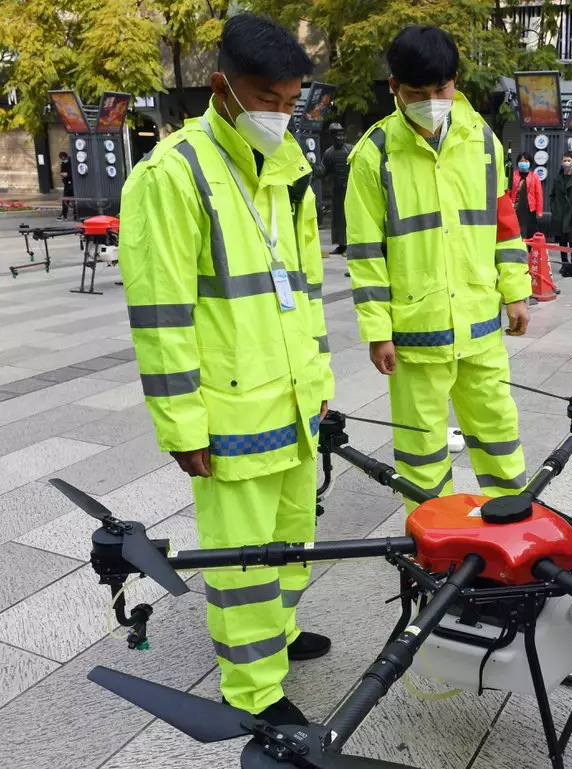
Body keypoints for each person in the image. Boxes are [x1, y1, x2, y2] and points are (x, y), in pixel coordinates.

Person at [117, 14, 335, 727]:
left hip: (294, 395)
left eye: (290, 100)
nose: (279, 113)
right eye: (266, 98)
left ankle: (282, 632)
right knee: (244, 558)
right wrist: (182, 422)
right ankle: (253, 690)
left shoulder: (287, 163)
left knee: (293, 534)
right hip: (231, 408)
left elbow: (302, 286)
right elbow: (161, 313)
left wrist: (320, 379)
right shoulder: (173, 175)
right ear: (222, 87)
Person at [345, 25, 530, 512]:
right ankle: (434, 548)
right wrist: (377, 330)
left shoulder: (483, 141)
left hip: (481, 324)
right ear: (393, 89)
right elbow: (365, 253)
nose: (431, 101)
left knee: (499, 436)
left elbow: (504, 225)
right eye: (416, 93)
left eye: (441, 89)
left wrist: (516, 290)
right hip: (414, 335)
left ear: (456, 80)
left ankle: (510, 532)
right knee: (421, 451)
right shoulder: (375, 154)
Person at [322, 122, 353, 255]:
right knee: (338, 218)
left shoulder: (351, 149)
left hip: (352, 188)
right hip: (338, 190)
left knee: (351, 216)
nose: (340, 138)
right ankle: (341, 244)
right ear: (332, 137)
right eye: (337, 135)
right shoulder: (329, 153)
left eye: (342, 135)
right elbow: (323, 171)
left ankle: (352, 243)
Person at [509, 151, 543, 239]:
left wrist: (539, 211)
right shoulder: (513, 175)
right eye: (521, 161)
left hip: (529, 209)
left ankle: (529, 251)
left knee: (530, 232)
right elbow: (509, 191)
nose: (523, 163)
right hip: (515, 207)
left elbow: (538, 195)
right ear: (518, 163)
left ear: (530, 163)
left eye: (526, 161)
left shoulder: (534, 177)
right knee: (515, 231)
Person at [58, 151, 75, 220]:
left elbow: (73, 172)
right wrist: (62, 174)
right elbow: (62, 171)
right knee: (66, 199)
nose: (63, 159)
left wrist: (67, 174)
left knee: (73, 199)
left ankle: (74, 214)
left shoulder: (71, 162)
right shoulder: (63, 163)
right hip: (67, 183)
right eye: (61, 158)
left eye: (63, 158)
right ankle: (64, 214)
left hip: (71, 183)